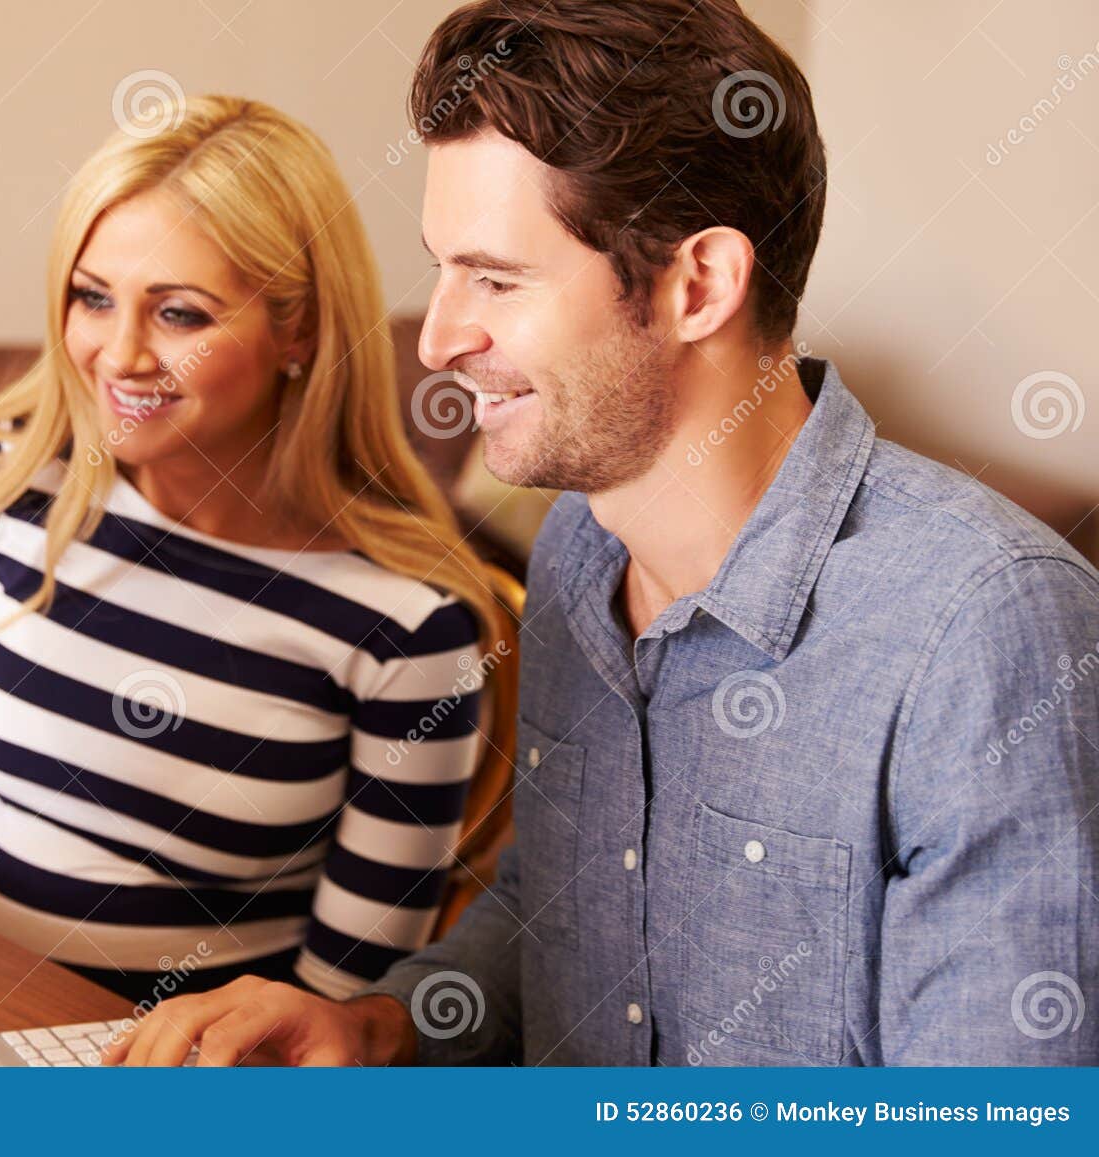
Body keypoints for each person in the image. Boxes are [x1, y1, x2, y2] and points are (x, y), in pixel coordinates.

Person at [106, 0, 1099, 1065]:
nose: (439, 337)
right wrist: (375, 1023)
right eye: (444, 269)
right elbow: (560, 912)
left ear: (698, 285)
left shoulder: (986, 626)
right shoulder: (581, 550)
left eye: (494, 277)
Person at [0, 95, 506, 1004]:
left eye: (181, 315)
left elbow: (345, 1002)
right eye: (93, 297)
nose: (119, 356)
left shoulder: (408, 628)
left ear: (297, 330)